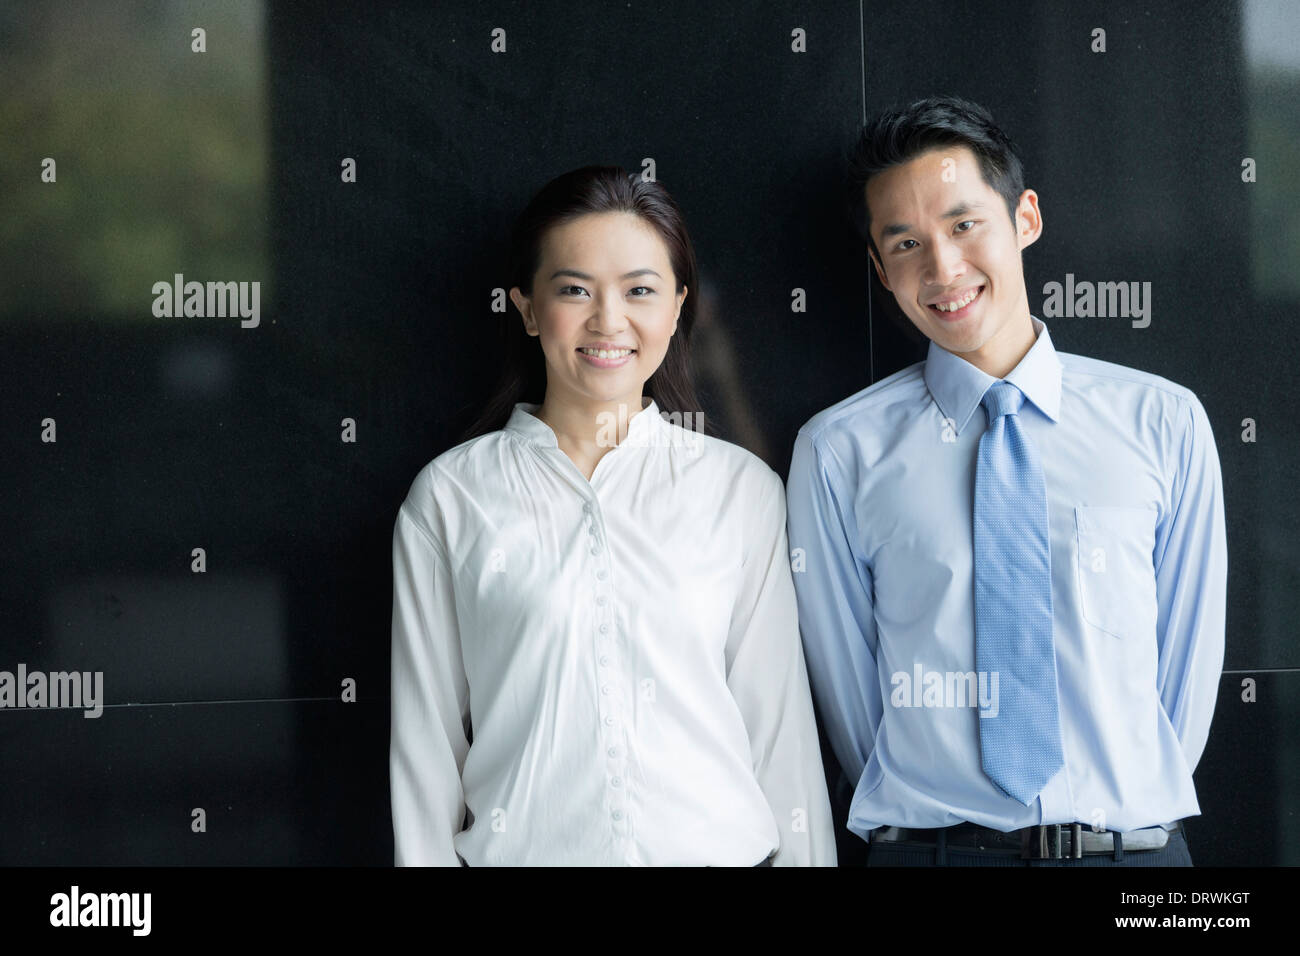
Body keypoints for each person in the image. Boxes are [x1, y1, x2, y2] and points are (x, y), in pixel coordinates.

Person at [786, 96, 1227, 866]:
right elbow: (856, 711)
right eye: (907, 243)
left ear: (1024, 218)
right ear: (880, 268)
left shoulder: (1164, 423)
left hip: (1133, 859)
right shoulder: (837, 452)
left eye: (964, 226)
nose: (944, 269)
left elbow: (1184, 681)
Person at [390, 165, 836, 866]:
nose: (608, 321)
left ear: (678, 308)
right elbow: (424, 757)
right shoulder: (450, 500)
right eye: (574, 290)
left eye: (640, 291)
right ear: (529, 309)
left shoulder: (740, 492)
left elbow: (781, 739)